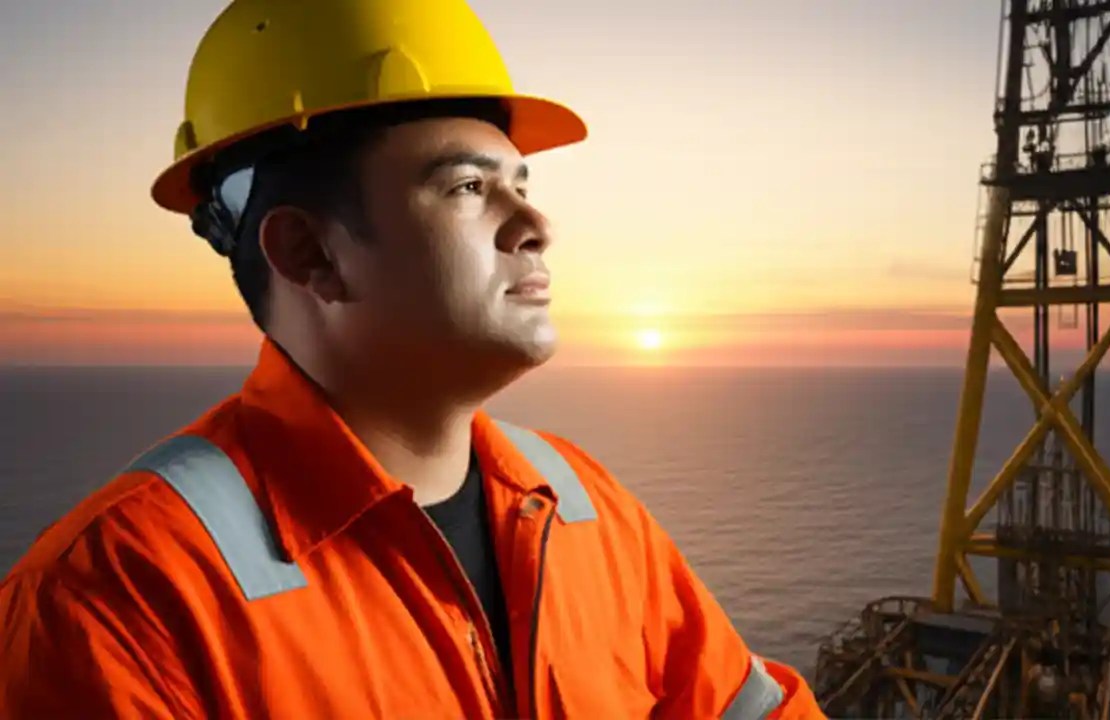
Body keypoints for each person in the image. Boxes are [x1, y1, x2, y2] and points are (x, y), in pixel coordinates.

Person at [0, 0, 823, 718]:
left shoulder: (582, 510)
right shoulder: (118, 600)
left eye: (522, 185)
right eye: (468, 188)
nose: (536, 226)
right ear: (310, 252)